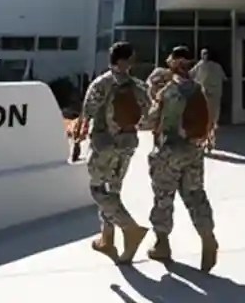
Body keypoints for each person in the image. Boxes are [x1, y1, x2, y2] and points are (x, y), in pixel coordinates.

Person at [146, 45, 218, 271]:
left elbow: (151, 120)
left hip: (169, 151)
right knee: (196, 195)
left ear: (174, 62)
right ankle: (207, 237)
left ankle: (162, 245)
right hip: (194, 152)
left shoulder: (167, 89)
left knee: (163, 198)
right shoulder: (197, 89)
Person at [79, 41, 151, 263]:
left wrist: (82, 132)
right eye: (130, 58)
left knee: (97, 189)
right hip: (126, 145)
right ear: (121, 61)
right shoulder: (138, 87)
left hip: (104, 146)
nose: (133, 62)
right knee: (114, 191)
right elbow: (148, 115)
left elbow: (87, 113)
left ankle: (130, 229)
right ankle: (106, 238)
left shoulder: (101, 84)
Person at [190, 47, 227, 153]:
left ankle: (208, 142)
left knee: (209, 121)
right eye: (203, 54)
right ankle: (206, 142)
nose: (204, 56)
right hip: (206, 98)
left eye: (205, 54)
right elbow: (224, 78)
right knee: (207, 121)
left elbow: (190, 75)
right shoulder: (201, 66)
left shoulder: (207, 66)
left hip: (210, 98)